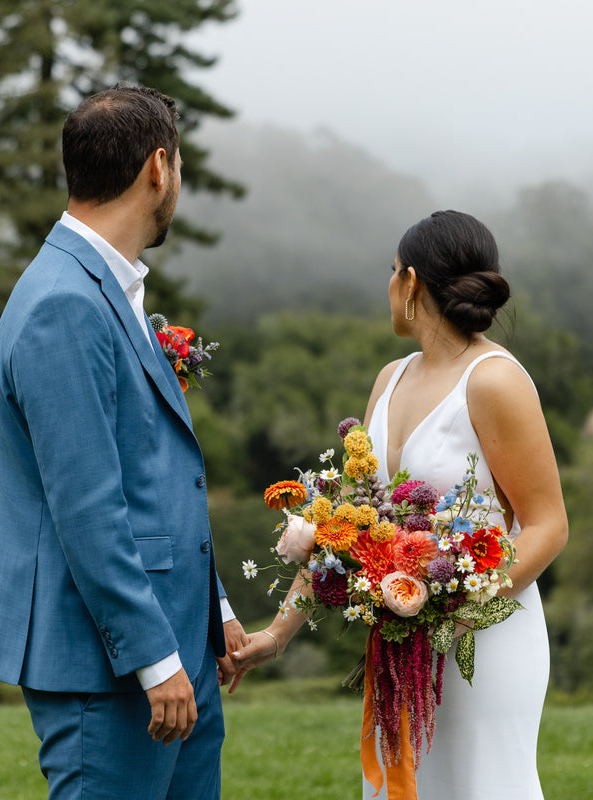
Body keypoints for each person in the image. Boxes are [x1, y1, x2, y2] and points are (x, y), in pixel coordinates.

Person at [231, 210, 568, 799]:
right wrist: (278, 634)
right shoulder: (390, 378)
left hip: (484, 641)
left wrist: (454, 610)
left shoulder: (494, 380)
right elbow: (348, 524)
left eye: (391, 272)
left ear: (410, 283)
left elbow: (548, 525)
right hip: (398, 645)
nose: (387, 285)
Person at [0, 84, 245, 800]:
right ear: (158, 168)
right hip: (113, 664)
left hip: (177, 643)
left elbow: (154, 477)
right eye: (179, 164)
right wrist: (155, 657)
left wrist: (213, 612)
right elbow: (88, 506)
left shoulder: (107, 286)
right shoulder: (63, 303)